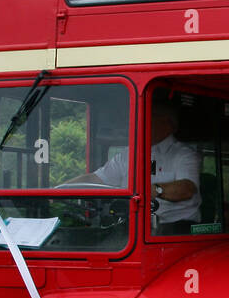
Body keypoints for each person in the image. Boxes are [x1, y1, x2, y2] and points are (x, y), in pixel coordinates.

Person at [66, 99, 200, 234]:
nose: (141, 120)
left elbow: (187, 188)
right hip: (129, 227)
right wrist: (60, 190)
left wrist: (157, 190)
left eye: (149, 115)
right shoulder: (128, 155)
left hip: (175, 229)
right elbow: (97, 179)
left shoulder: (184, 154)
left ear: (167, 123)